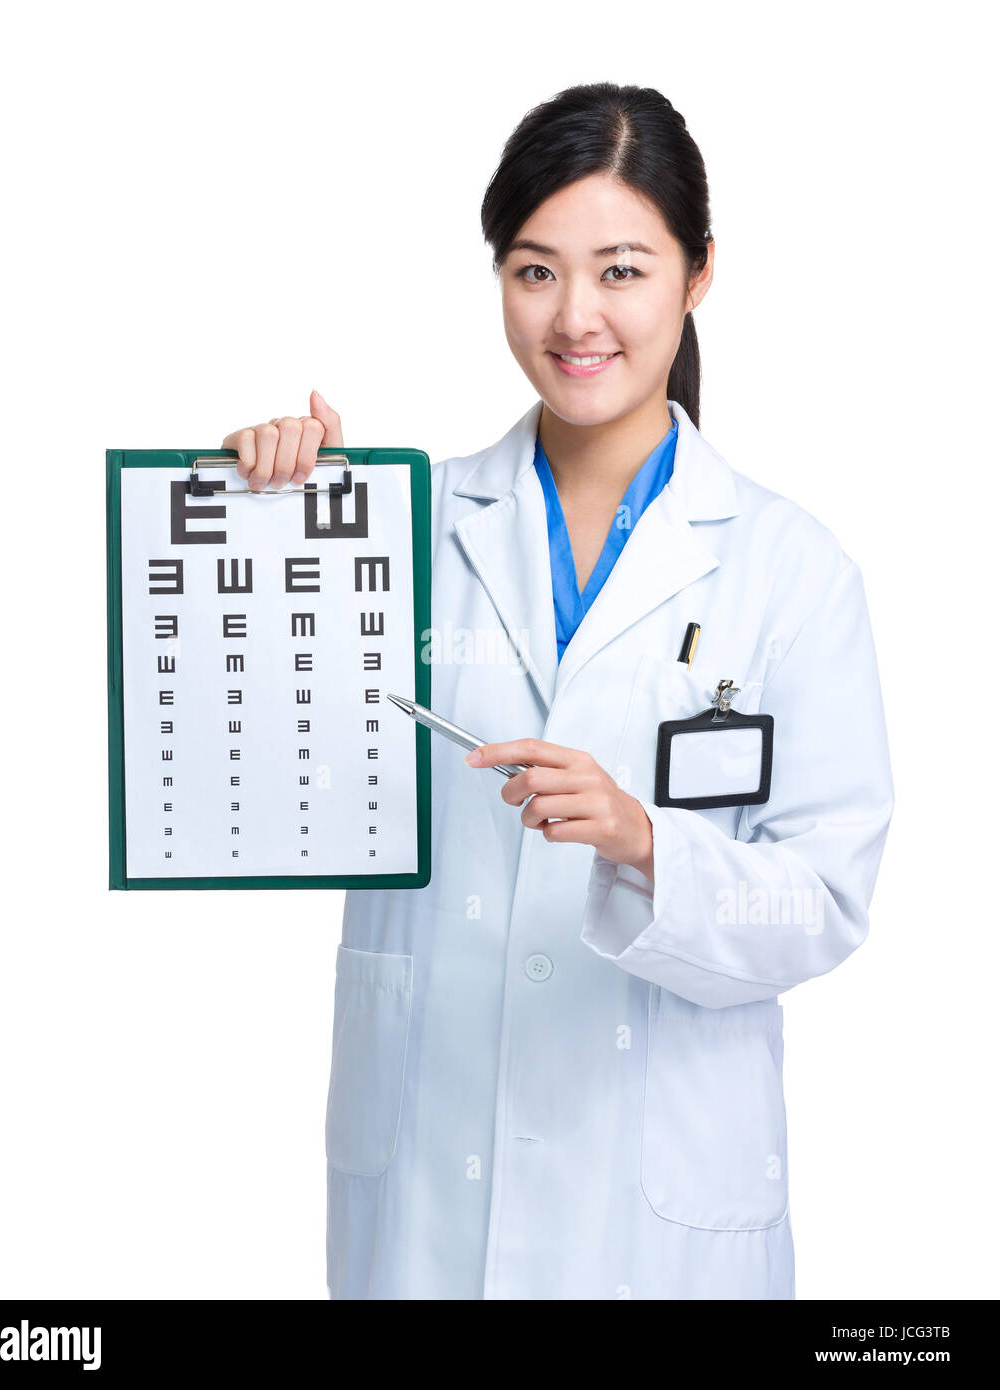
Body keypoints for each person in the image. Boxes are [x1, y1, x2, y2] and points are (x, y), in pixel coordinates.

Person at [222, 82, 894, 1301]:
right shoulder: (400, 531)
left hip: (662, 1225)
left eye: (622, 270)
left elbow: (827, 900)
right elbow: (260, 764)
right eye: (535, 272)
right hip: (430, 1188)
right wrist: (269, 533)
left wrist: (648, 842)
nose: (576, 316)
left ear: (697, 276)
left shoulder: (788, 568)